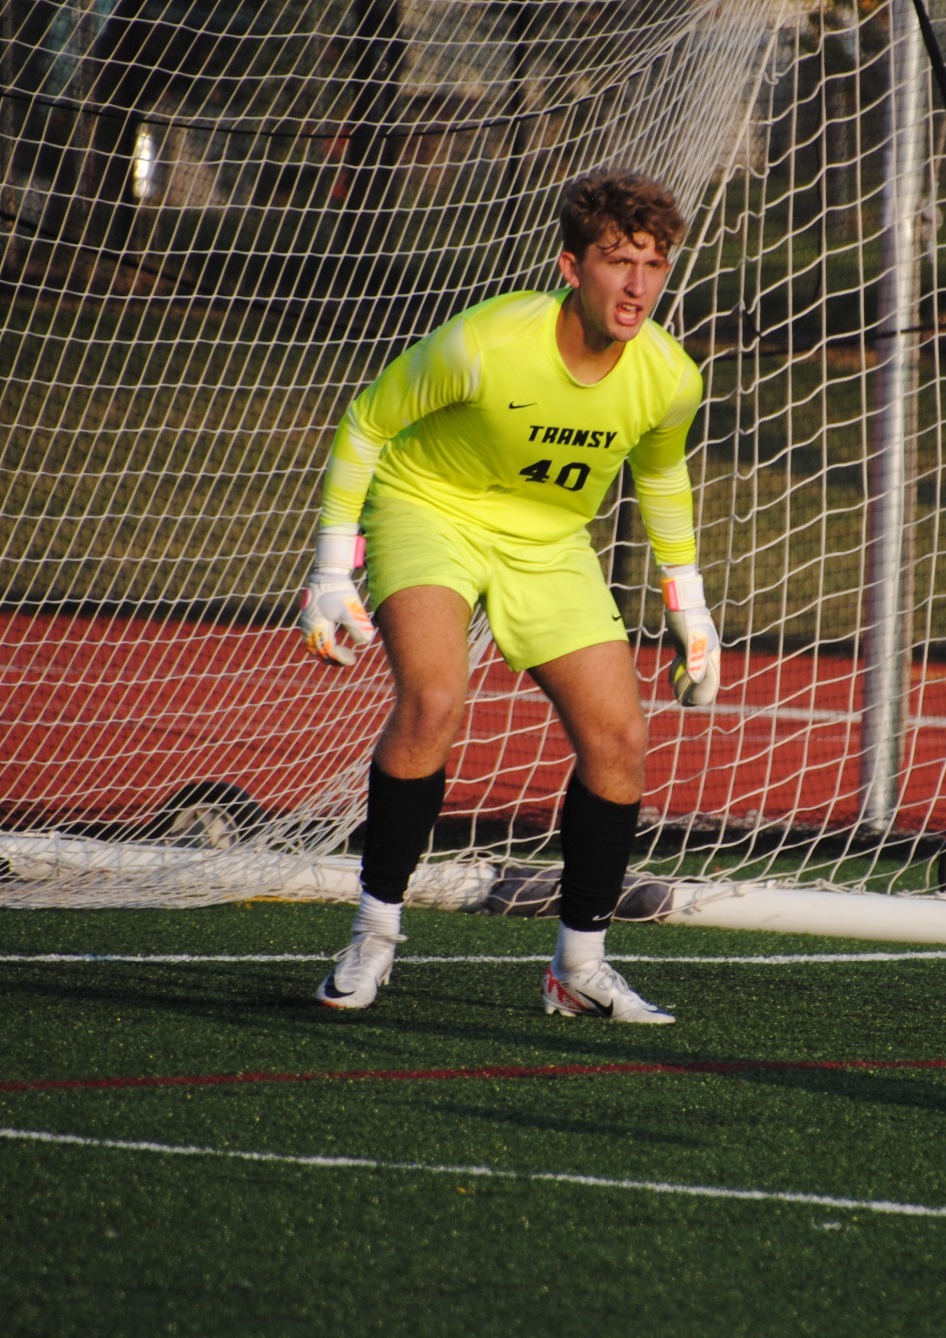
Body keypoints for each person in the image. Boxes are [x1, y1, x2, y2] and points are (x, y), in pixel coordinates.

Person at [296, 168, 720, 1025]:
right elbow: (369, 422)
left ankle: (578, 969)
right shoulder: (485, 341)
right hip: (431, 510)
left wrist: (689, 604)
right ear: (573, 267)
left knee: (620, 737)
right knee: (435, 700)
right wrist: (333, 570)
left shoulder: (669, 376)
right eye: (617, 261)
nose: (637, 284)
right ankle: (375, 935)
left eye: (653, 264)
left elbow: (663, 473)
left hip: (548, 542)